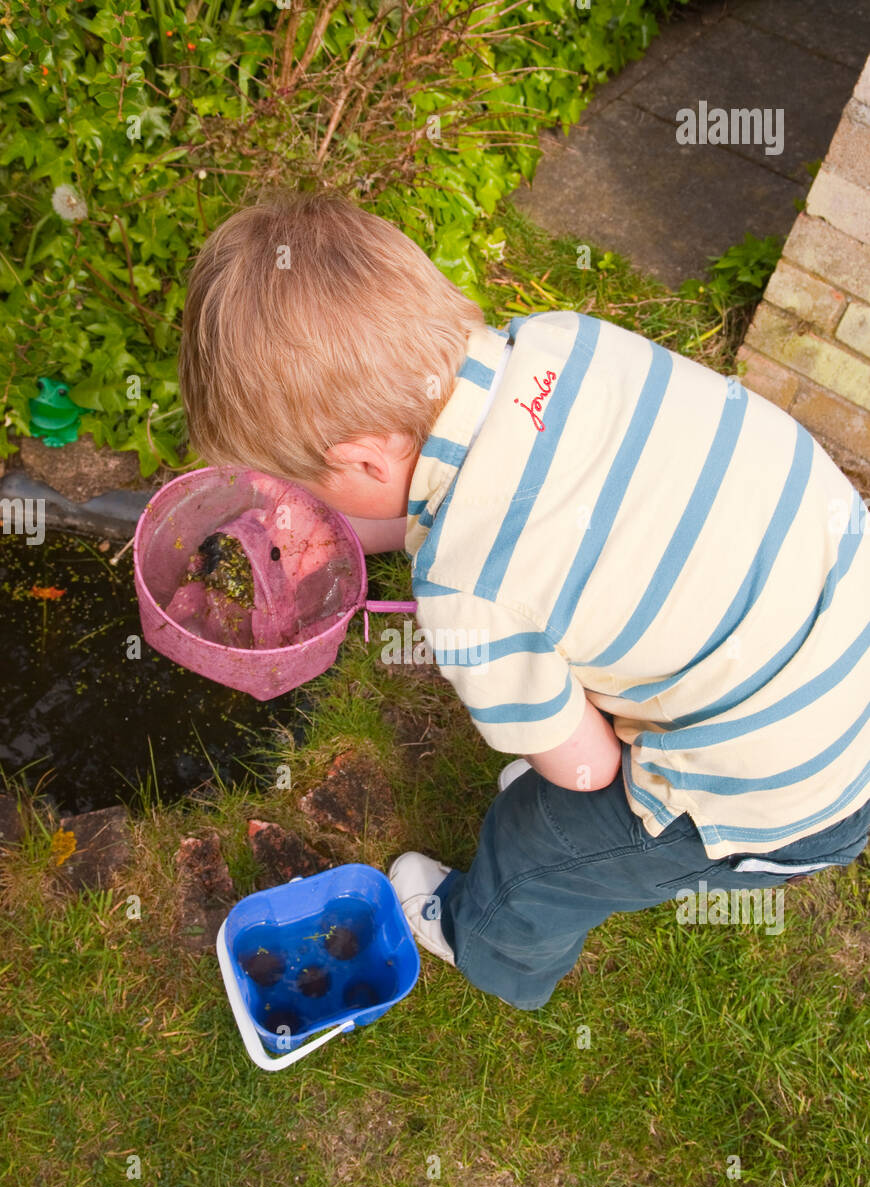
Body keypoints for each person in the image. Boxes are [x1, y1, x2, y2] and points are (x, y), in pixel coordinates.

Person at [179, 191, 870, 1010]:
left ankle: (491, 946)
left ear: (363, 464)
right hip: (839, 631)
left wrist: (559, 741)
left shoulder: (468, 592)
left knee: (538, 838)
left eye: (302, 490)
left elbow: (589, 768)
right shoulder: (563, 343)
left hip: (791, 790)